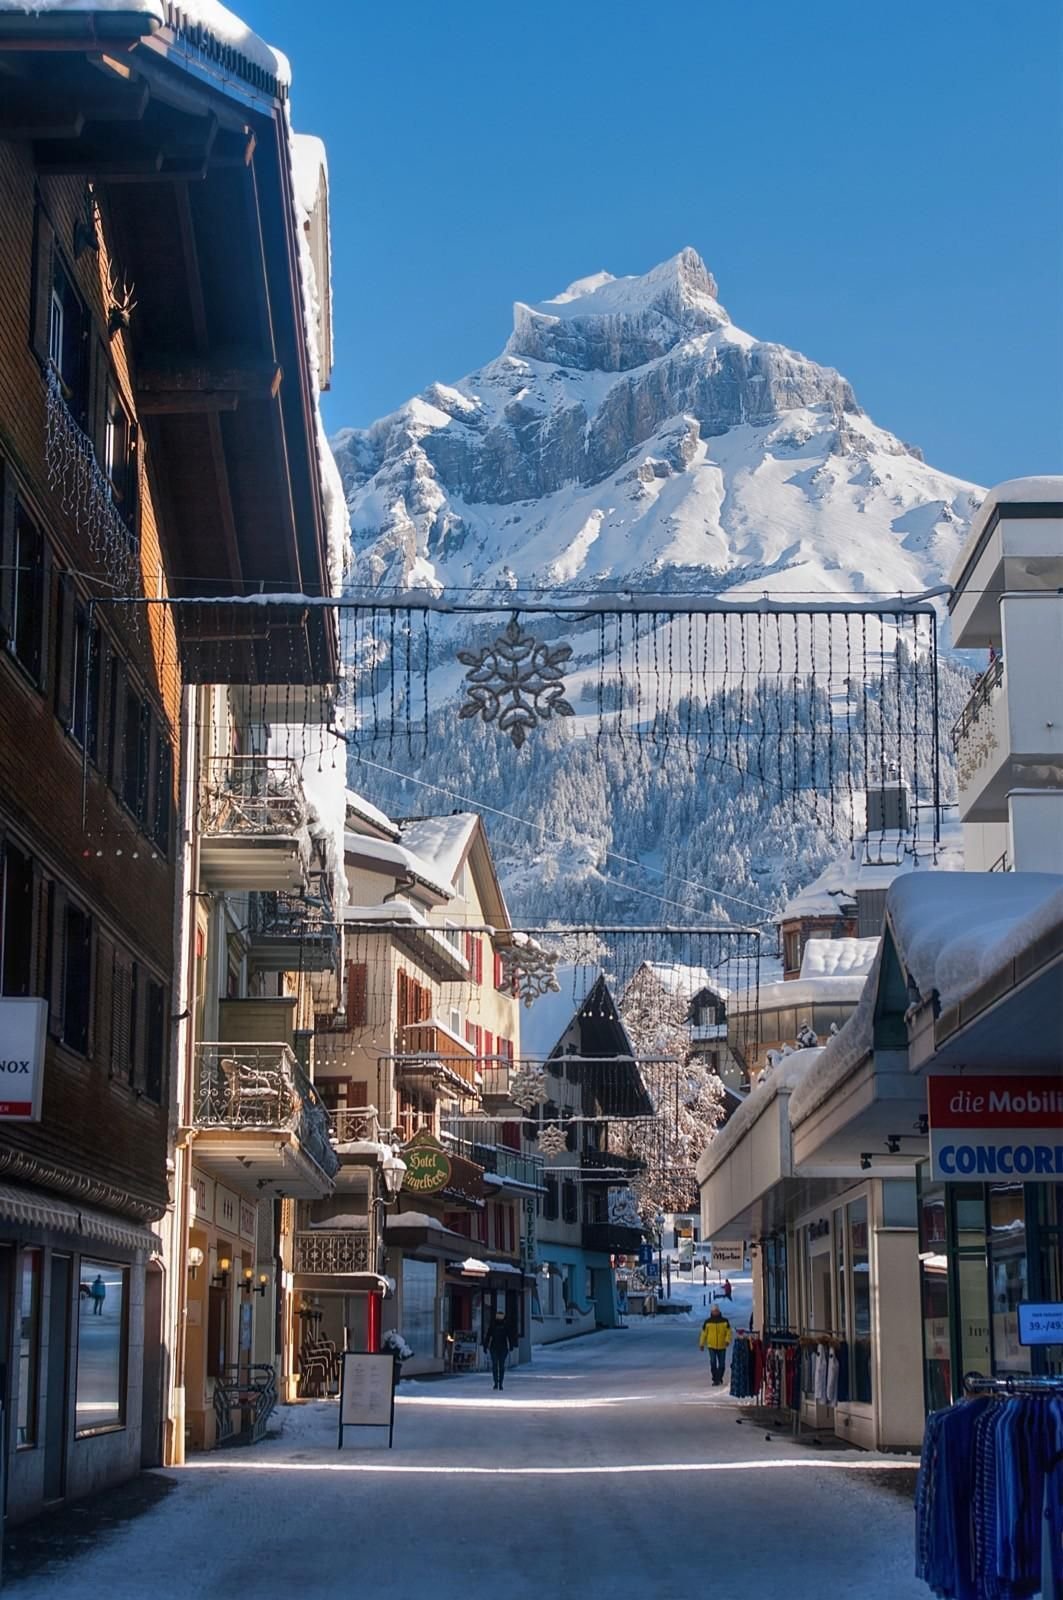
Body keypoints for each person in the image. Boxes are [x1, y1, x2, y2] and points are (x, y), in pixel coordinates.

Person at [699, 1304, 732, 1386]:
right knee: (713, 1362)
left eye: (716, 1311)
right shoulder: (707, 1322)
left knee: (722, 1364)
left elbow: (729, 1332)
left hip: (722, 1345)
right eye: (714, 1311)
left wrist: (727, 1340)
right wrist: (701, 1344)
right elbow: (704, 1333)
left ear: (719, 1311)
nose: (715, 1312)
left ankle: (719, 1378)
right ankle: (715, 1379)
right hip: (711, 1346)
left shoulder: (725, 1321)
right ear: (711, 1312)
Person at [482, 1311, 515, 1391]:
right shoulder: (501, 1326)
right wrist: (511, 1346)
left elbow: (488, 1336)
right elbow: (510, 1337)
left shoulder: (497, 1326)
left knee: (496, 1365)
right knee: (499, 1365)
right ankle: (498, 1383)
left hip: (497, 1348)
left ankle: (498, 1383)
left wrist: (485, 1346)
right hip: (499, 1348)